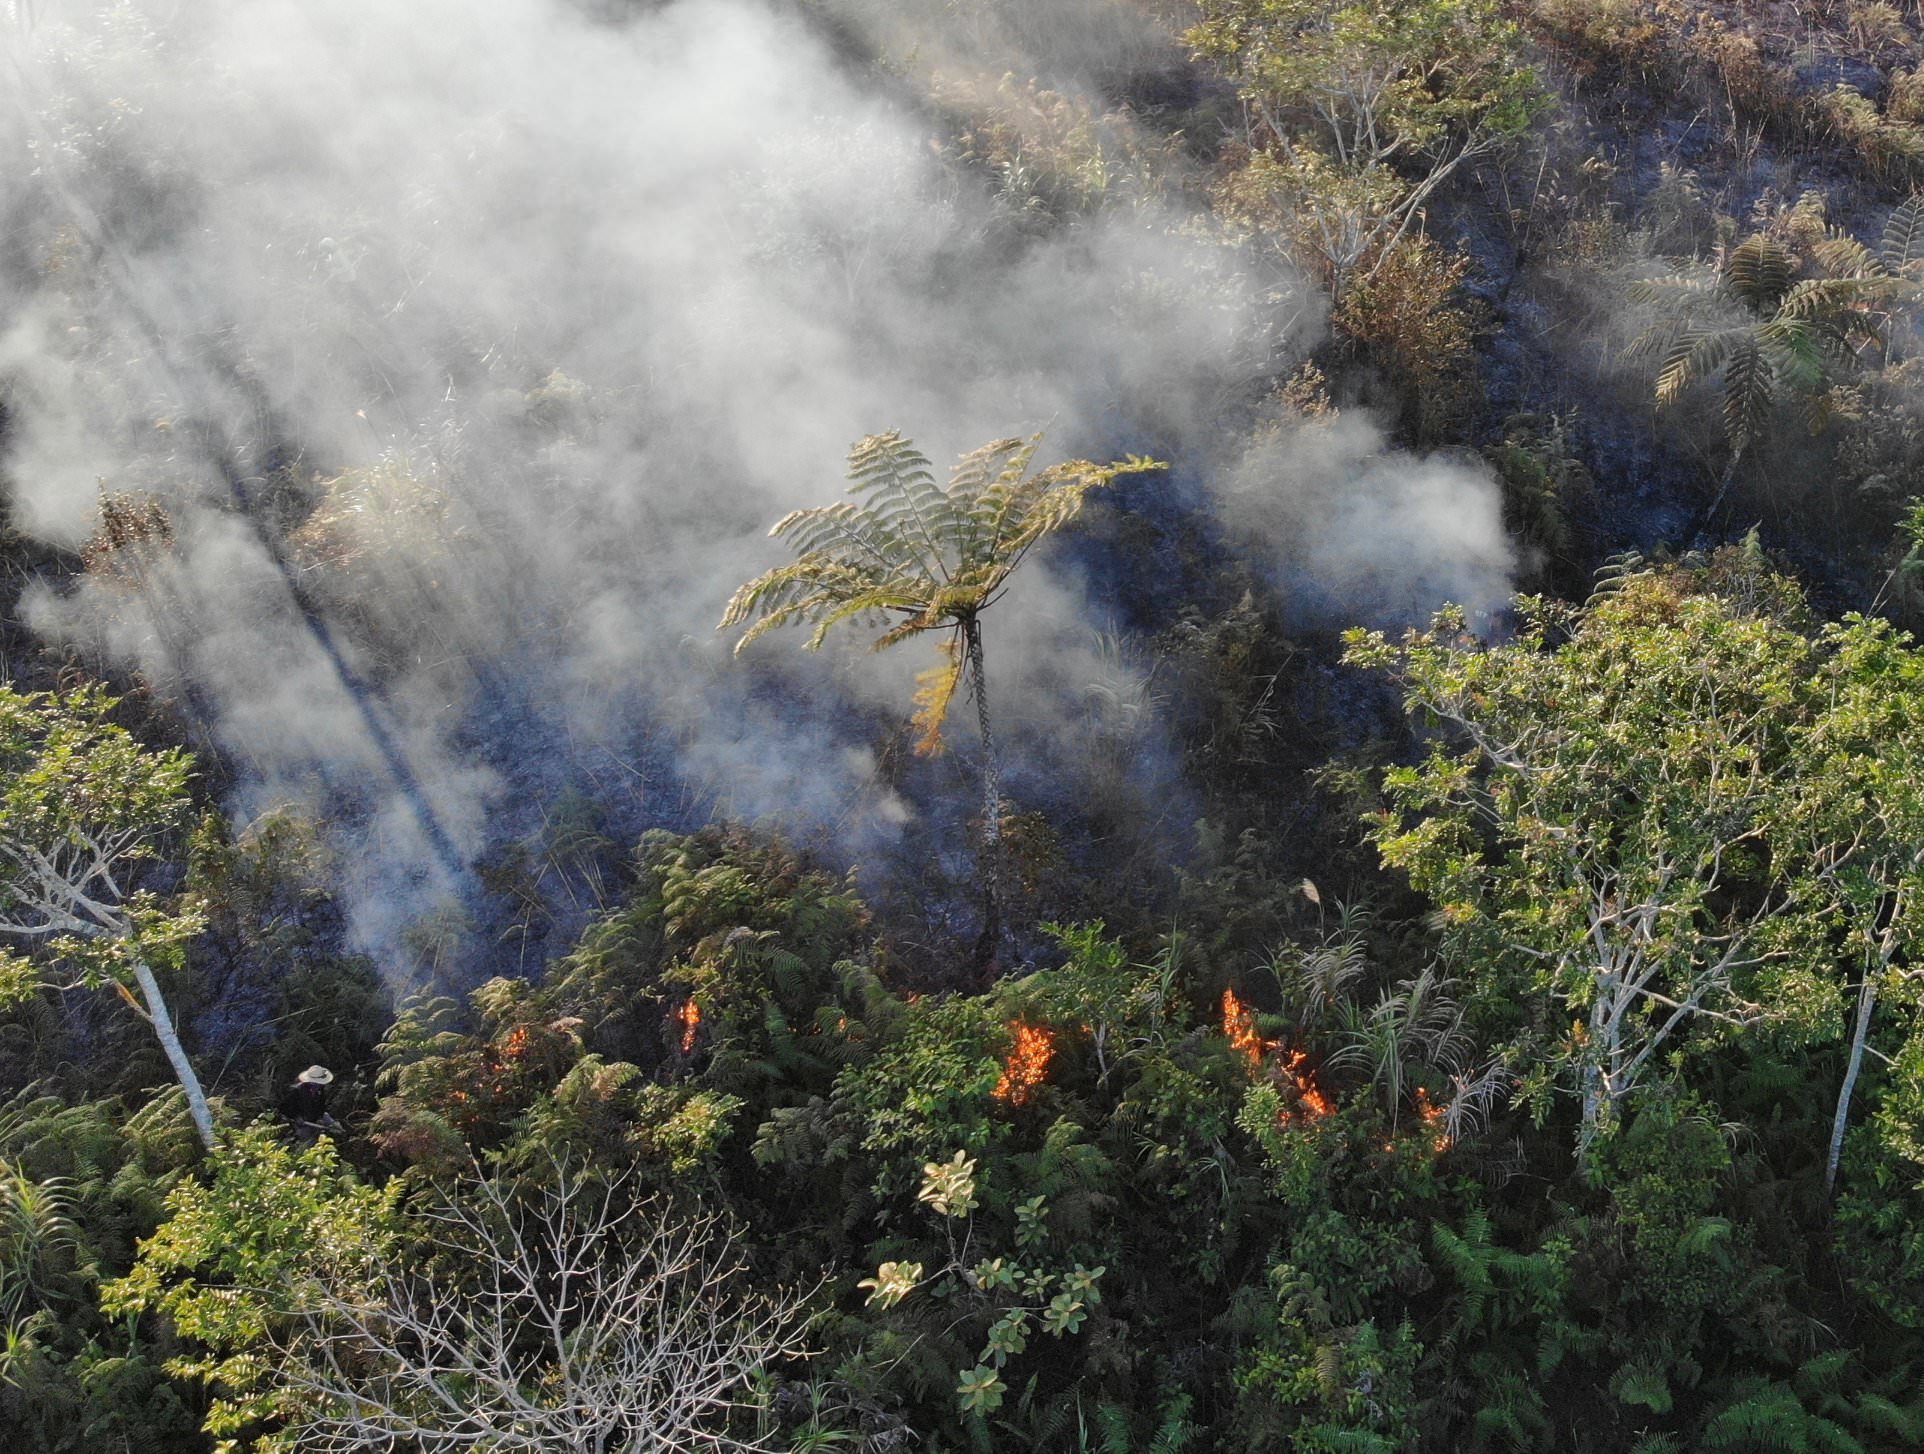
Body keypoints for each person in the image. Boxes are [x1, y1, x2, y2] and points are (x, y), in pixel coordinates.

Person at [279, 1064, 341, 1144]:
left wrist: (320, 1117)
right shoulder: (296, 1091)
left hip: (315, 1118)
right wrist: (296, 1117)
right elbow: (283, 1107)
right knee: (309, 1141)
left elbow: (321, 1105)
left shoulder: (320, 1090)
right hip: (303, 1122)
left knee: (335, 1126)